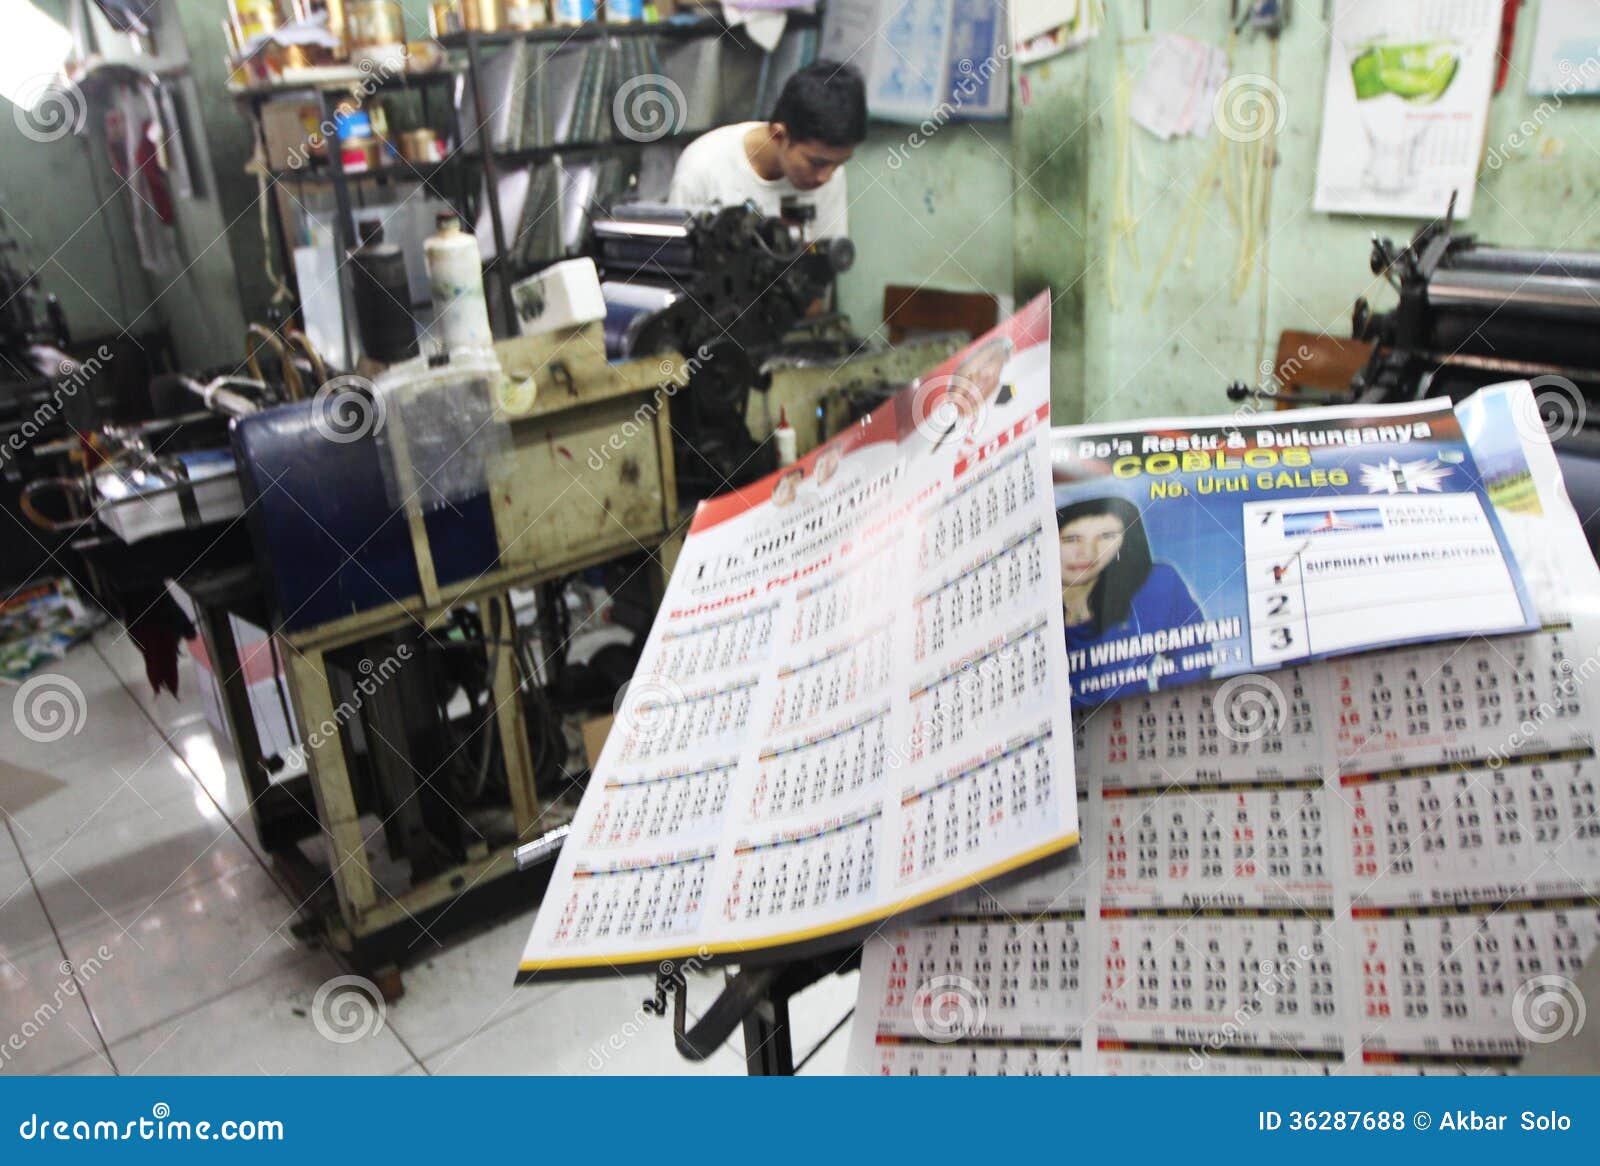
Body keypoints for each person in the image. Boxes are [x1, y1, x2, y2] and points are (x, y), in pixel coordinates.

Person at [669, 61, 866, 242]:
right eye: (816, 163)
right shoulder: (703, 167)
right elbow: (676, 257)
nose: (825, 177)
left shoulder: (828, 172)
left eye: (839, 163)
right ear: (778, 135)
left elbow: (825, 260)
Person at [1057, 496, 1210, 698]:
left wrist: (1167, 703)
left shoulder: (1155, 585)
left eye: (1106, 537)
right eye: (1071, 539)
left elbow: (1194, 650)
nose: (1087, 552)